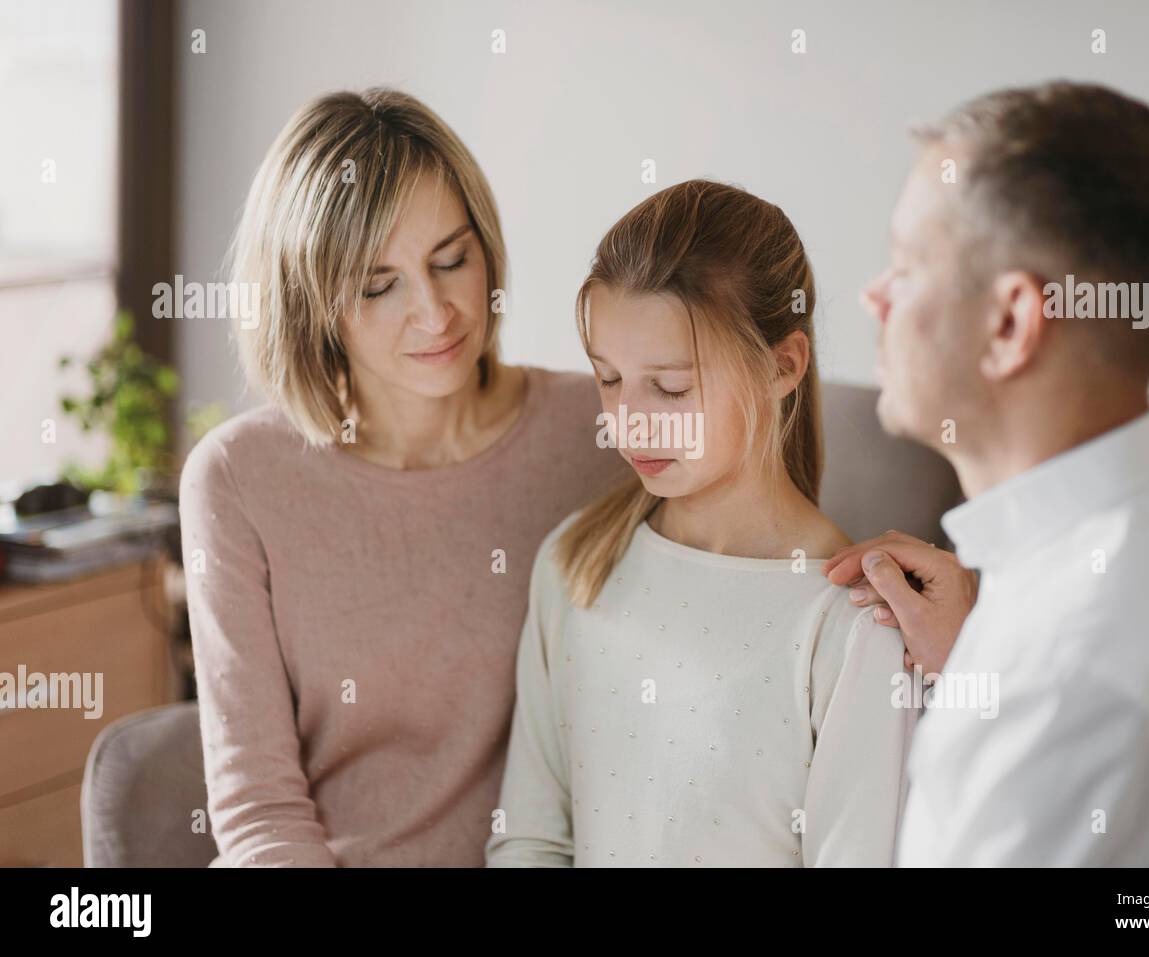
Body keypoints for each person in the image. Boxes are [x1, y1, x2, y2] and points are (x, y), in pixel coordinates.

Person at [825, 81, 1149, 865]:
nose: (876, 295)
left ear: (1010, 324)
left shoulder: (1056, 692)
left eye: (907, 265)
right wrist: (977, 656)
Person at [180, 88, 625, 866]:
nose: (437, 311)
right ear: (310, 303)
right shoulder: (238, 478)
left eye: (452, 259)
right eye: (380, 285)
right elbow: (259, 811)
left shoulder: (601, 431)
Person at [486, 180, 912, 867]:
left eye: (672, 387)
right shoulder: (574, 565)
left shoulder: (852, 622)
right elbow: (530, 838)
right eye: (609, 378)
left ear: (783, 366)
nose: (628, 420)